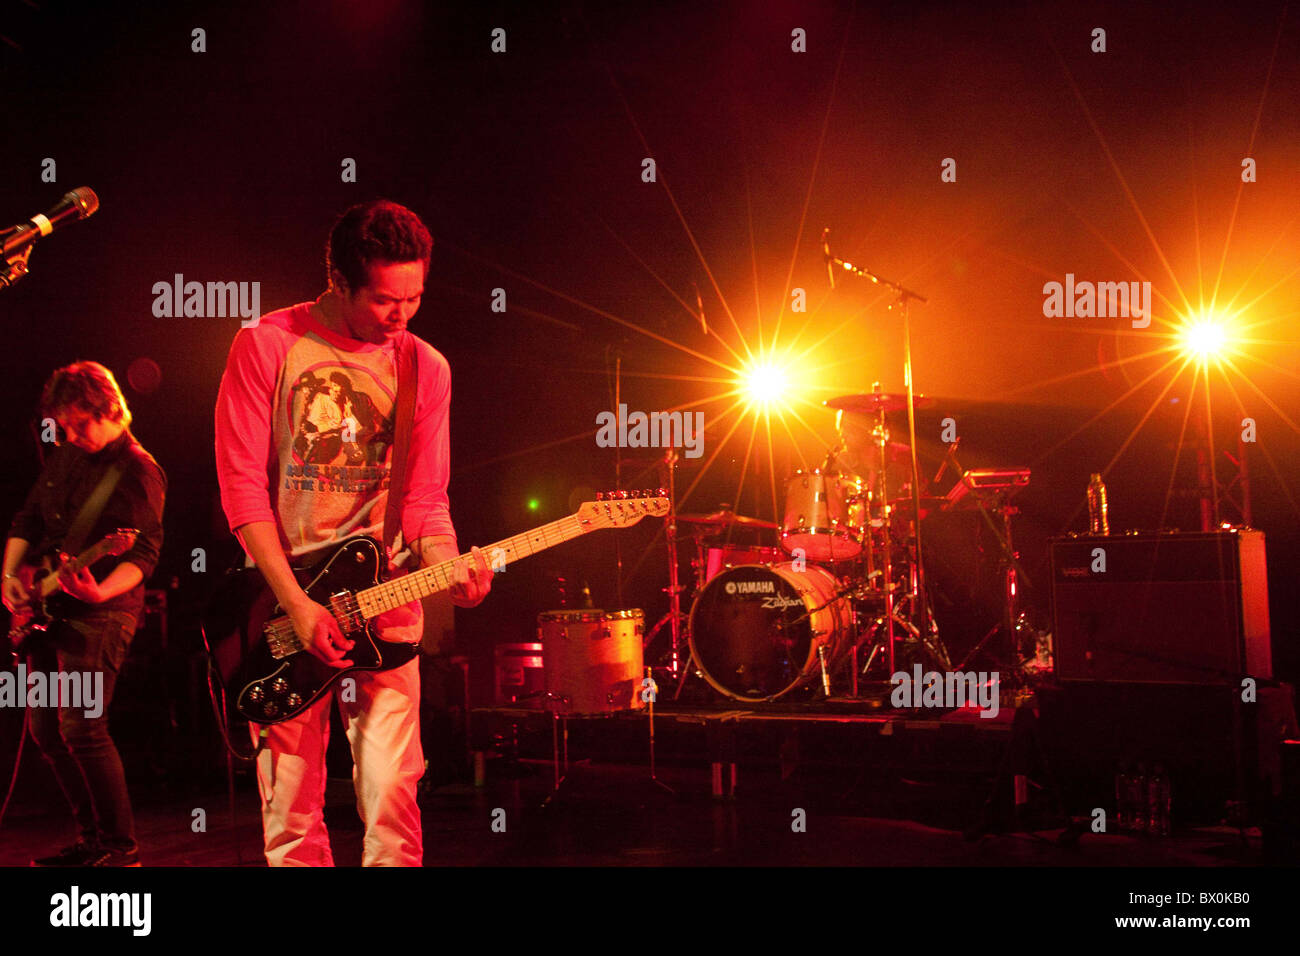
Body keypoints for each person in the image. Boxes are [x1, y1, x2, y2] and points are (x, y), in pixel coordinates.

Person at [214, 199, 491, 867]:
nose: (401, 316)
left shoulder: (427, 367)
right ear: (338, 282)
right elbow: (242, 487)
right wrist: (295, 602)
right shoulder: (268, 342)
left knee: (394, 798)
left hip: (388, 604)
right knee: (291, 809)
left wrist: (449, 562)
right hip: (287, 602)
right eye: (384, 300)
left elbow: (425, 495)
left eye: (415, 297)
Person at [2, 361, 166, 867]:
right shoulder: (67, 456)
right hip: (49, 608)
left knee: (82, 727)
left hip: (102, 613)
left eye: (80, 424)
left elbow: (144, 554)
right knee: (46, 732)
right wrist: (10, 575)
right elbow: (28, 517)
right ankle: (92, 839)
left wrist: (99, 593)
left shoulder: (138, 469)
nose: (70, 435)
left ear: (111, 408)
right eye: (64, 425)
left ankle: (120, 848)